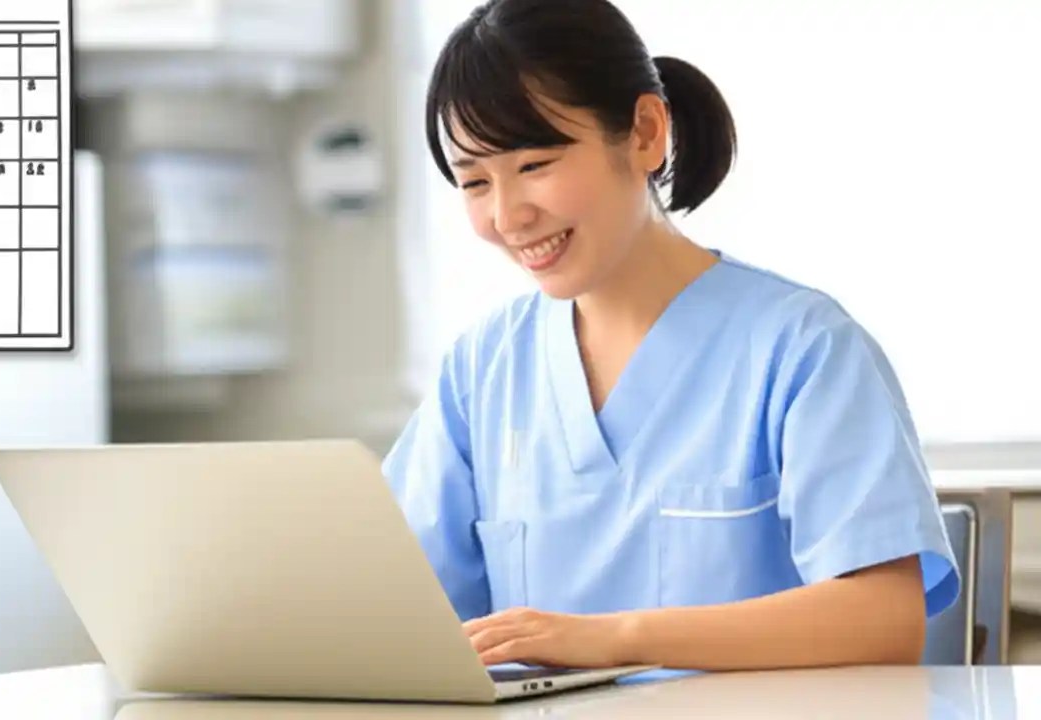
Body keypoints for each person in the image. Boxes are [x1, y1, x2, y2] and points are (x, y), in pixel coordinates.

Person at [382, 0, 959, 672]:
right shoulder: (482, 371)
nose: (508, 214)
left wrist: (616, 640)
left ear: (646, 133)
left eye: (535, 164)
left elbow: (883, 621)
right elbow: (391, 606)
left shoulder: (802, 349)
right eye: (475, 181)